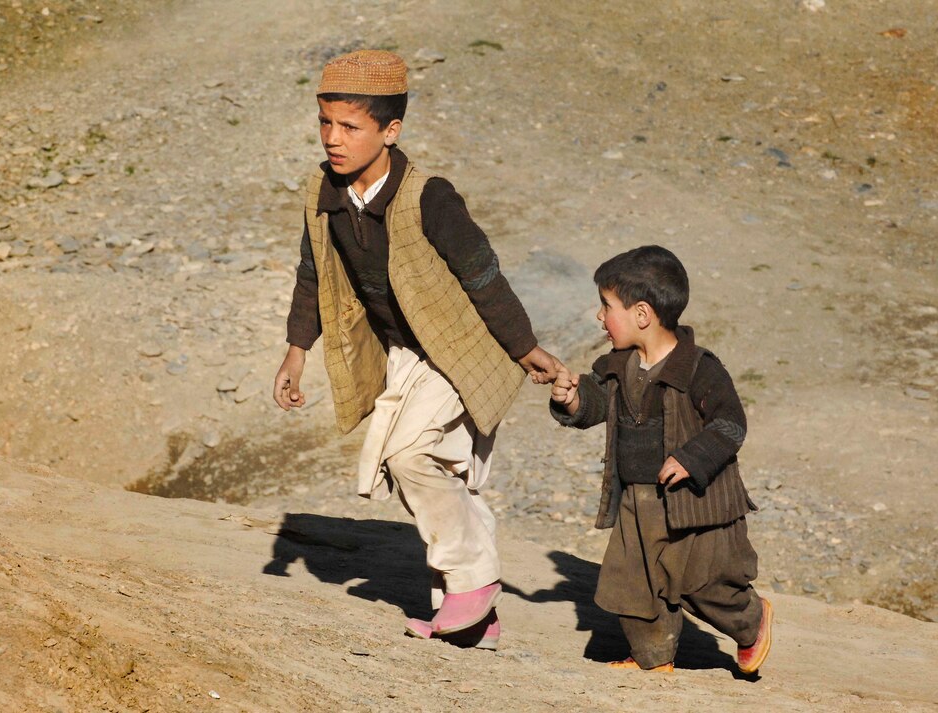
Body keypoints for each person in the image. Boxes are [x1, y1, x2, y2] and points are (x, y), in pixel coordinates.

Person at [273, 49, 559, 648]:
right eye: (325, 122)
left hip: (461, 351)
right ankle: (475, 617)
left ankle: (474, 582)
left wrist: (526, 348)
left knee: (406, 457)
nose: (333, 138)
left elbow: (483, 275)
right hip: (404, 356)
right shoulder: (321, 193)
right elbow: (313, 274)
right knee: (414, 470)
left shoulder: (430, 196)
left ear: (390, 131)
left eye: (350, 126)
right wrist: (297, 351)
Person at [548, 245, 773, 674]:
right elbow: (596, 403)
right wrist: (574, 400)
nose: (599, 317)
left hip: (697, 504)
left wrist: (691, 458)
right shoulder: (616, 364)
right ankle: (653, 657)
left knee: (704, 583)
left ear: (642, 314)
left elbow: (731, 424)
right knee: (631, 583)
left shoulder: (699, 368)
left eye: (606, 306)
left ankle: (752, 621)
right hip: (638, 500)